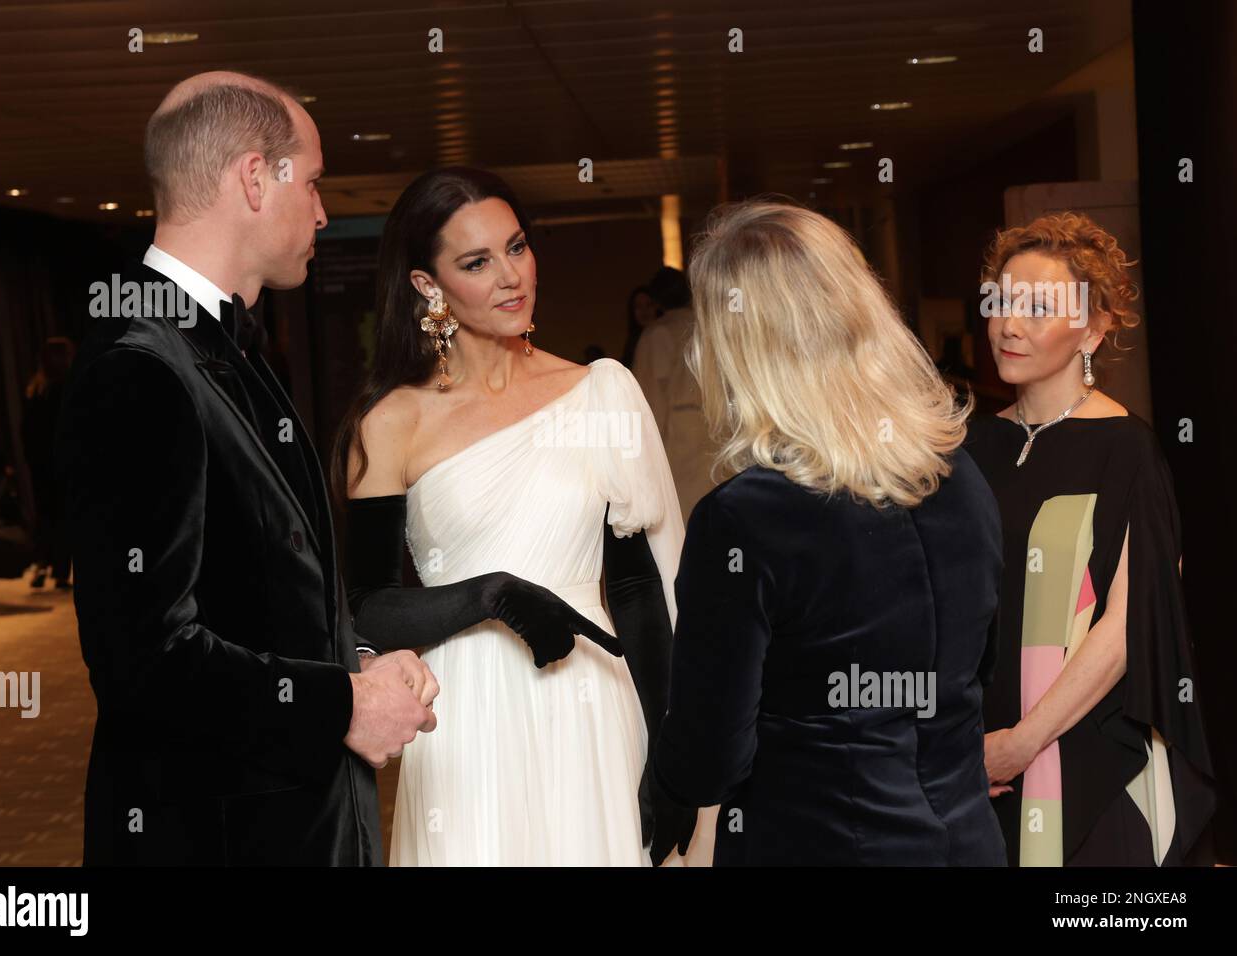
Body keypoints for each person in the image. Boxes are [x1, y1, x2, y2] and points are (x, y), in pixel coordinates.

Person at [57, 71, 437, 866]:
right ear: (256, 179)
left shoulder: (216, 347)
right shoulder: (141, 366)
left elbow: (247, 597)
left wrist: (353, 662)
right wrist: (341, 703)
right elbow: (146, 664)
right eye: (317, 181)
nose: (323, 211)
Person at [332, 167, 698, 866]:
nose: (510, 276)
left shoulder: (601, 393)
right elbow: (364, 609)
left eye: (517, 247)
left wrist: (671, 750)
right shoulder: (391, 424)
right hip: (466, 724)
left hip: (595, 706)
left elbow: (637, 591)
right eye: (477, 262)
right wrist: (487, 595)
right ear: (426, 286)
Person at [653, 200, 1007, 866]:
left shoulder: (743, 519)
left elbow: (708, 760)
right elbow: (976, 668)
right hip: (968, 844)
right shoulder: (961, 476)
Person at [966, 211, 1216, 865]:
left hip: (1082, 747)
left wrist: (1024, 740)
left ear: (1096, 326)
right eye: (1002, 302)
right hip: (975, 754)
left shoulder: (1126, 449)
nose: (1010, 325)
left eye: (1039, 307)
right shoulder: (971, 445)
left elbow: (1131, 625)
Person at [631, 266, 718, 520]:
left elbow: (649, 398)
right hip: (716, 428)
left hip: (679, 437)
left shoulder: (658, 333)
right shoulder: (709, 328)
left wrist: (642, 455)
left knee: (683, 516)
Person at [22, 336, 75, 590]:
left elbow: (26, 431)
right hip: (65, 460)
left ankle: (43, 563)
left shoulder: (35, 389)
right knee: (66, 515)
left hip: (39, 463)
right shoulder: (69, 387)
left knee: (46, 515)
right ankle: (62, 571)